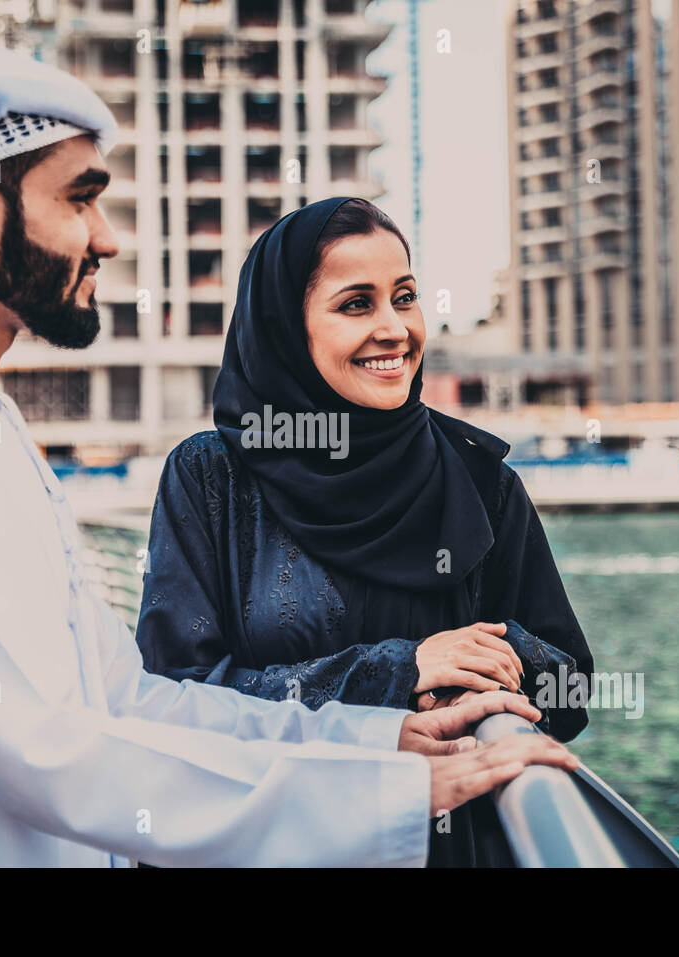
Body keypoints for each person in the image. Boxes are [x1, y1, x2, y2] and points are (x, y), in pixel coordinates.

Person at [0, 42, 579, 868]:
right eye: (80, 199)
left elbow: (129, 703)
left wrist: (367, 745)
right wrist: (386, 794)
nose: (106, 237)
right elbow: (40, 752)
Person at [136, 197, 595, 867]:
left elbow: (574, 688)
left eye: (404, 298)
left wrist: (491, 664)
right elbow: (173, 699)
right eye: (357, 304)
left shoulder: (481, 481)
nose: (394, 329)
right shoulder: (211, 479)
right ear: (286, 327)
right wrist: (399, 671)